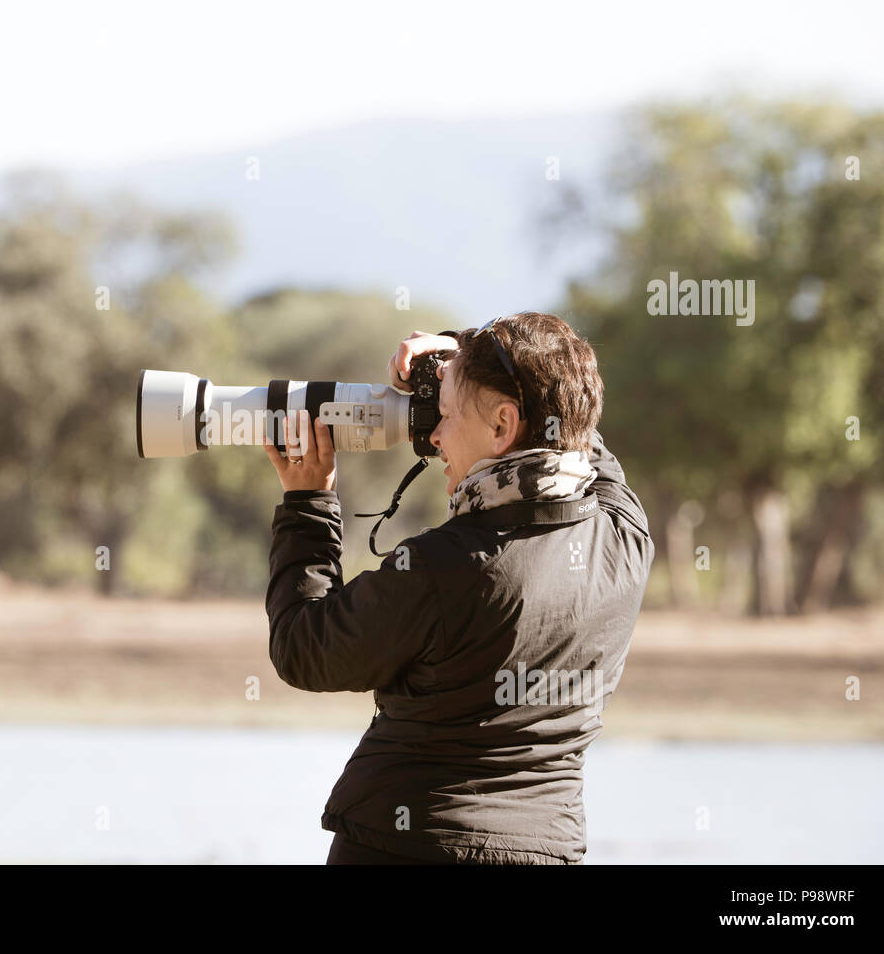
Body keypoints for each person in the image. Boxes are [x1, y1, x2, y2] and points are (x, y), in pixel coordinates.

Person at [262, 312, 654, 864]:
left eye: (444, 415)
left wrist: (308, 503)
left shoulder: (443, 568)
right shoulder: (625, 535)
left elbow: (305, 650)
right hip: (546, 848)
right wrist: (466, 354)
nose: (433, 437)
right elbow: (576, 430)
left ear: (502, 425)